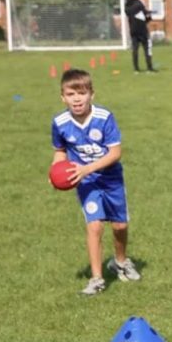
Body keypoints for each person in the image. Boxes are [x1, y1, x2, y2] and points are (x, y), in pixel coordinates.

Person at [51, 69, 140, 295]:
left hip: (111, 179)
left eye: (82, 93)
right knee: (95, 226)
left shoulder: (104, 117)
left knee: (120, 226)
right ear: (63, 97)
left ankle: (120, 261)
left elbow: (115, 153)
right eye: (71, 94)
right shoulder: (60, 123)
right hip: (86, 182)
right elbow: (60, 150)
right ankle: (97, 279)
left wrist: (87, 168)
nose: (77, 99)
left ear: (92, 94)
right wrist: (55, 172)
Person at [124, 0, 155, 73]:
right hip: (142, 30)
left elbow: (128, 13)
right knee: (147, 49)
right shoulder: (139, 3)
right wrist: (148, 13)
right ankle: (149, 68)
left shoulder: (127, 4)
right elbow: (146, 17)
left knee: (135, 49)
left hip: (133, 30)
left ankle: (136, 69)